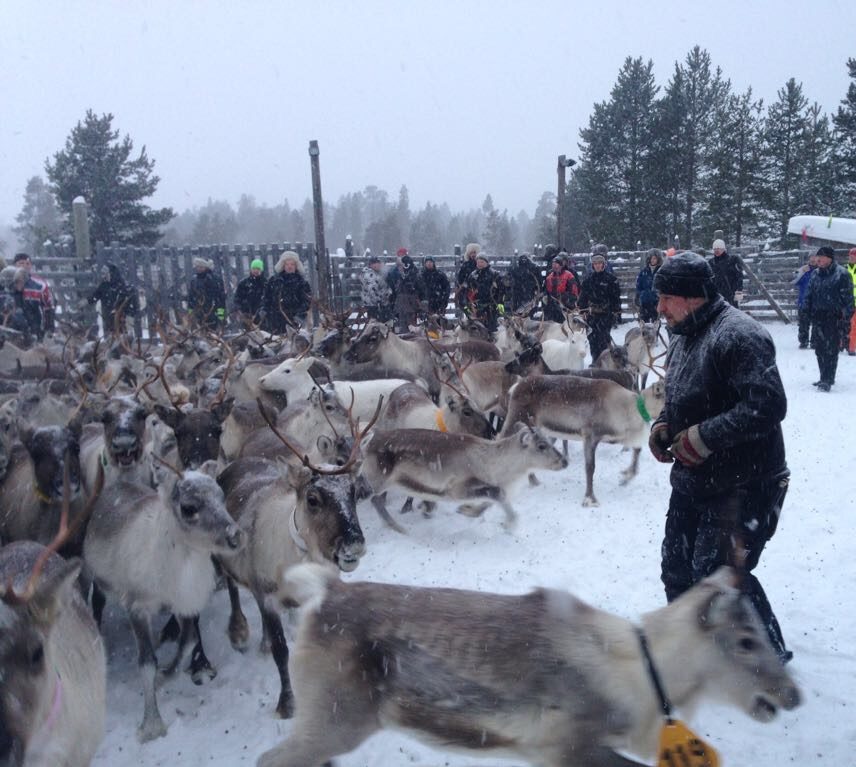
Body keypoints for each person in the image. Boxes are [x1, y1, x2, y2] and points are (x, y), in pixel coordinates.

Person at [647, 251, 792, 664]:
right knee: (676, 569)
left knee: (722, 576)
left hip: (745, 482)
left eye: (666, 298)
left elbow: (768, 405)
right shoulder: (682, 335)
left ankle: (766, 662)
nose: (659, 308)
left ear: (693, 296)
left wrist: (705, 437)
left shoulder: (740, 336)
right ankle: (692, 649)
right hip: (694, 478)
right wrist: (663, 425)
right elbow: (677, 396)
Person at [804, 246, 854, 391]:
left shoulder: (842, 274)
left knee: (831, 349)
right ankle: (822, 377)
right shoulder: (815, 274)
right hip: (818, 317)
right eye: (817, 256)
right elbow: (809, 295)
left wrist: (844, 317)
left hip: (834, 318)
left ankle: (828, 379)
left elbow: (848, 300)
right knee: (819, 349)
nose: (818, 259)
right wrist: (806, 311)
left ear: (830, 258)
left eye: (821, 256)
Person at [577, 247, 621, 362]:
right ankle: (595, 361)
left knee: (604, 340)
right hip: (592, 316)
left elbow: (616, 298)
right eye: (595, 264)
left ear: (603, 264)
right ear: (592, 265)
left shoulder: (611, 279)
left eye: (599, 263)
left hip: (606, 315)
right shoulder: (588, 280)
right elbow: (583, 297)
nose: (597, 265)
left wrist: (616, 313)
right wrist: (582, 310)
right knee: (592, 340)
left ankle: (605, 362)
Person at [262, 250, 312, 333]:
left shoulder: (302, 283)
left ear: (296, 266)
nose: (289, 267)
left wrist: (300, 316)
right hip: (274, 319)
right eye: (287, 264)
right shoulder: (273, 281)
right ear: (283, 265)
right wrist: (265, 310)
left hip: (293, 320)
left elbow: (306, 301)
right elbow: (266, 297)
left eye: (292, 264)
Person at [87, 263, 139, 335]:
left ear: (111, 273)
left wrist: (129, 315)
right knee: (112, 334)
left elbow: (130, 303)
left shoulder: (122, 286)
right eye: (103, 273)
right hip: (109, 319)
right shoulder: (104, 285)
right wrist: (86, 301)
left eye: (105, 273)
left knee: (124, 334)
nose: (103, 276)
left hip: (122, 318)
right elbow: (95, 296)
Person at [13, 252, 55, 335]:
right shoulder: (7, 281)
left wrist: (49, 327)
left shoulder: (39, 284)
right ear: (14, 265)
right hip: (11, 324)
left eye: (27, 263)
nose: (25, 266)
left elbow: (48, 305)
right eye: (21, 263)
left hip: (34, 325)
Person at [465, 254, 505, 332]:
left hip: (491, 306)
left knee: (492, 328)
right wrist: (468, 303)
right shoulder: (473, 275)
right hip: (477, 306)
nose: (480, 264)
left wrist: (500, 302)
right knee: (476, 328)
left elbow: (501, 290)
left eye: (482, 262)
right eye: (478, 262)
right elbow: (468, 291)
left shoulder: (494, 274)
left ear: (486, 262)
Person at [187, 257, 226, 330]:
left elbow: (221, 297)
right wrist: (190, 310)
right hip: (199, 312)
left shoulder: (215, 279)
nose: (198, 269)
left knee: (213, 329)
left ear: (206, 267)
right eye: (197, 266)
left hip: (213, 311)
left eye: (201, 267)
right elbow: (191, 296)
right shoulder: (194, 280)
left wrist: (221, 313)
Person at [389, 253, 422, 332]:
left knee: (412, 325)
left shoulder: (415, 275)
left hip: (412, 303)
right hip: (401, 304)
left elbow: (420, 289)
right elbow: (394, 290)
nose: (402, 267)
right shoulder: (397, 275)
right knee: (403, 325)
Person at [791, 253, 818, 349]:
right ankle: (803, 342)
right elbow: (794, 281)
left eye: (815, 257)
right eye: (811, 257)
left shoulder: (821, 270)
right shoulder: (803, 269)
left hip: (817, 302)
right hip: (804, 301)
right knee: (803, 324)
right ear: (808, 259)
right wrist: (801, 272)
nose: (813, 259)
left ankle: (815, 342)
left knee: (817, 324)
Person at [11, 266, 45, 341]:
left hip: (33, 322)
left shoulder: (31, 292)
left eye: (20, 282)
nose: (18, 285)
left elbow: (37, 311)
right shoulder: (16, 293)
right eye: (17, 282)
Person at [708, 238, 744, 307]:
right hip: (717, 297)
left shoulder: (732, 261)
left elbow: (739, 279)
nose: (716, 250)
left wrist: (738, 297)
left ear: (723, 249)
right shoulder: (711, 263)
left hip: (731, 295)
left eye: (718, 248)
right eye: (715, 249)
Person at [543, 256, 579, 323]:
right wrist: (545, 297)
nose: (554, 266)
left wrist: (565, 299)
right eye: (553, 264)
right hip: (552, 306)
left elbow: (574, 292)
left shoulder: (569, 275)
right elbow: (546, 291)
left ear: (561, 265)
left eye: (556, 264)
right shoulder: (549, 277)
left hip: (565, 306)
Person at [359, 251, 392, 321]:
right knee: (376, 323)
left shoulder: (375, 273)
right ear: (372, 265)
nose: (379, 265)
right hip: (374, 305)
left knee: (376, 322)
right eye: (377, 263)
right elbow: (372, 291)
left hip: (375, 304)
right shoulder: (370, 275)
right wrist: (382, 300)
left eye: (379, 263)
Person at [233, 259, 267, 326]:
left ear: (261, 270)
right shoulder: (243, 284)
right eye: (254, 268)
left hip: (262, 318)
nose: (256, 271)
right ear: (251, 269)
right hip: (247, 317)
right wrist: (240, 311)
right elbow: (237, 299)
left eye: (258, 269)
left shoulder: (266, 284)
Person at [635, 248, 663, 322]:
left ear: (658, 259)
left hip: (656, 302)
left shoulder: (661, 272)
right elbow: (638, 285)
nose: (652, 260)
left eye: (654, 258)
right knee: (643, 323)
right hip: (644, 301)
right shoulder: (644, 272)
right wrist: (639, 295)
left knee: (655, 323)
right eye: (651, 258)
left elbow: (663, 287)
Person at [455, 243, 481, 308]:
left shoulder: (481, 265)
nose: (473, 255)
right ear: (468, 254)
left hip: (480, 292)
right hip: (468, 292)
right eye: (471, 253)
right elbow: (460, 279)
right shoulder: (465, 265)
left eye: (474, 252)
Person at [846, 248, 856, 355]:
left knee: (854, 326)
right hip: (845, 303)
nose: (852, 258)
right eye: (850, 256)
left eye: (854, 256)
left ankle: (852, 348)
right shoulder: (844, 270)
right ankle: (842, 345)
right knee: (843, 325)